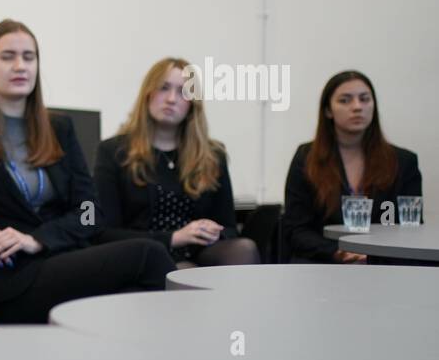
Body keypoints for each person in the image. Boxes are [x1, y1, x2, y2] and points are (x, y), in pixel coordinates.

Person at [0, 19, 175, 324]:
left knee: (135, 296)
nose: (20, 66)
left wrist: (38, 239)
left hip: (60, 258)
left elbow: (90, 212)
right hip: (9, 280)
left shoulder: (59, 128)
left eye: (29, 57)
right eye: (8, 57)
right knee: (150, 257)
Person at [94, 57, 259, 268]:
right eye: (163, 88)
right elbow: (103, 233)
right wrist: (174, 238)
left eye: (183, 92)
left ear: (193, 104)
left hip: (199, 253)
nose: (172, 99)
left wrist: (212, 231)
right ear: (147, 94)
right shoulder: (113, 152)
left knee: (244, 249)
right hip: (143, 253)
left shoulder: (212, 155)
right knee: (181, 270)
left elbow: (229, 228)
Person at [282, 70, 422, 263]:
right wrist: (340, 252)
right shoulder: (306, 158)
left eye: (365, 99)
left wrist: (373, 255)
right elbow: (296, 230)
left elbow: (411, 227)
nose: (357, 107)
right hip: (325, 262)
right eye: (345, 100)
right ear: (328, 110)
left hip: (385, 263)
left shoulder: (403, 161)